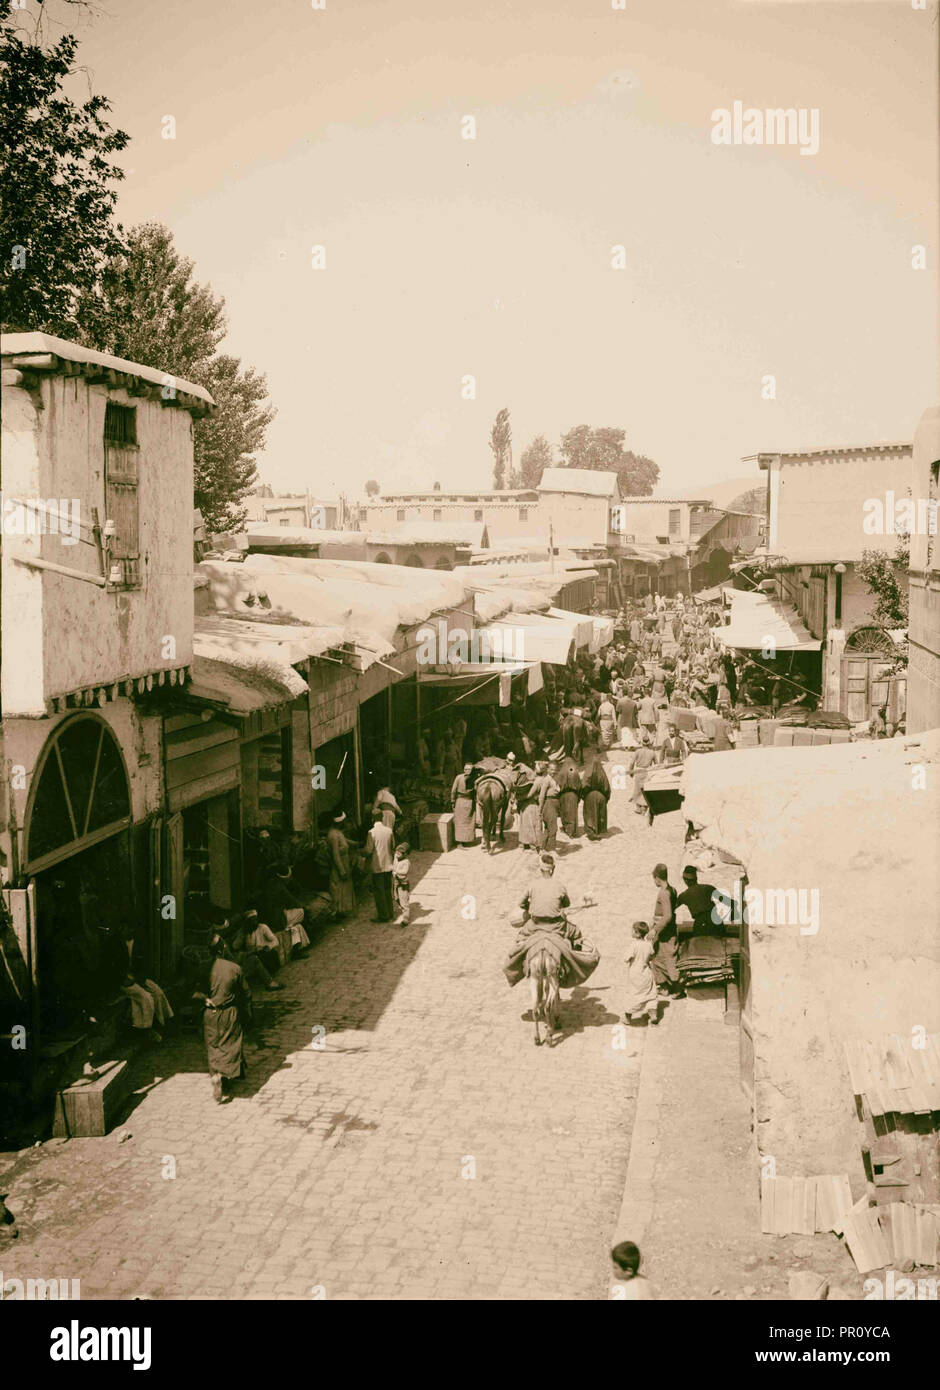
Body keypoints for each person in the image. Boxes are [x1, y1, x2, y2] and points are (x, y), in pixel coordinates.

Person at [194, 934, 251, 1104]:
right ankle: (227, 1075)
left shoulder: (203, 967)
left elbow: (194, 991)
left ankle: (216, 1076)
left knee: (213, 1045)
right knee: (231, 1043)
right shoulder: (235, 968)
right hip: (229, 1013)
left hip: (210, 1013)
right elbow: (246, 992)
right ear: (223, 948)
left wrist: (205, 999)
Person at [259, 867, 311, 955]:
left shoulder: (269, 884)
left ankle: (290, 927)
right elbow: (292, 901)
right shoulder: (279, 887)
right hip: (278, 920)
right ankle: (292, 937)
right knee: (300, 912)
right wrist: (305, 907)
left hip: (269, 918)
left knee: (293, 920)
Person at [649, 864, 683, 998]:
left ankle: (677, 987)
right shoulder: (672, 890)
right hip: (667, 929)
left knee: (668, 958)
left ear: (657, 878)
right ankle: (664, 986)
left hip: (664, 931)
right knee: (657, 957)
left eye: (654, 879)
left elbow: (667, 915)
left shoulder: (664, 893)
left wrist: (655, 929)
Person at [623, 922, 659, 1025]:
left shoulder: (633, 945)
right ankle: (653, 1014)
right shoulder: (648, 944)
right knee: (650, 993)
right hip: (646, 972)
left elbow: (626, 958)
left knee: (634, 994)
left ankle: (627, 1017)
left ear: (637, 934)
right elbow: (652, 956)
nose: (631, 932)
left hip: (635, 974)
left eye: (633, 930)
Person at [364, 809, 395, 922]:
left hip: (377, 866)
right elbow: (393, 847)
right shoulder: (389, 831)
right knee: (387, 889)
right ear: (382, 818)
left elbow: (368, 850)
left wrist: (361, 851)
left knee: (379, 891)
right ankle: (390, 913)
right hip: (388, 865)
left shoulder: (371, 832)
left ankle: (383, 915)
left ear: (372, 819)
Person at [675, 865, 722, 935]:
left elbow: (671, 908)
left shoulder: (684, 895)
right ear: (696, 878)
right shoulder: (709, 888)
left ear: (685, 880)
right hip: (717, 922)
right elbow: (727, 902)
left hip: (701, 924)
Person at [326, 811, 357, 917]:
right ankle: (336, 913)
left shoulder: (338, 832)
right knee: (338, 889)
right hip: (339, 865)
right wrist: (342, 870)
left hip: (345, 862)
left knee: (344, 888)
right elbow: (335, 855)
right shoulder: (333, 835)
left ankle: (342, 911)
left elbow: (346, 841)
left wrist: (357, 844)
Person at [580, 759, 611, 840]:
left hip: (590, 796)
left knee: (590, 814)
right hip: (601, 796)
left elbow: (583, 785)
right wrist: (605, 798)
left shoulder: (587, 773)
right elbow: (606, 787)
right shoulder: (602, 773)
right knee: (600, 814)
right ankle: (599, 832)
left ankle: (591, 832)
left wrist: (584, 796)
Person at [451, 763, 477, 847]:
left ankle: (466, 839)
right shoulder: (458, 777)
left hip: (470, 802)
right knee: (460, 822)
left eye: (469, 769)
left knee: (469, 821)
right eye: (465, 769)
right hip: (460, 801)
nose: (467, 771)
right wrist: (453, 801)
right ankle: (459, 842)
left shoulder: (474, 779)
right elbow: (453, 790)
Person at [631, 732, 657, 815]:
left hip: (638, 771)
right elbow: (656, 765)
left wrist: (631, 772)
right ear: (649, 743)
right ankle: (644, 808)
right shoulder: (652, 752)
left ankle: (638, 807)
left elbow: (632, 763)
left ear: (642, 743)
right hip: (647, 772)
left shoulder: (637, 751)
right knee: (645, 790)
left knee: (637, 789)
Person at [538, 762, 561, 852]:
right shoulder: (547, 780)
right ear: (547, 770)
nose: (553, 771)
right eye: (551, 769)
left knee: (548, 828)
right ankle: (552, 849)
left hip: (554, 803)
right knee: (553, 827)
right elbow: (542, 795)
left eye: (555, 770)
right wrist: (540, 810)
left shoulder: (554, 779)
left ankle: (543, 848)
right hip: (549, 803)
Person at [556, 762, 582, 839]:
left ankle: (567, 829)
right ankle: (573, 831)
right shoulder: (574, 771)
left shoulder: (561, 773)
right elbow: (579, 785)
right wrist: (578, 796)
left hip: (563, 795)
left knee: (565, 813)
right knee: (573, 813)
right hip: (573, 795)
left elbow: (557, 785)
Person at [392, 841, 411, 927]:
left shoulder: (406, 862)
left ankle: (406, 918)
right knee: (396, 897)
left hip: (403, 883)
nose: (398, 854)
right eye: (397, 852)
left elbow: (405, 871)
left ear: (405, 854)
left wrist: (396, 872)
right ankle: (403, 907)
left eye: (400, 853)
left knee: (404, 900)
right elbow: (393, 865)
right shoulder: (395, 858)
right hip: (396, 881)